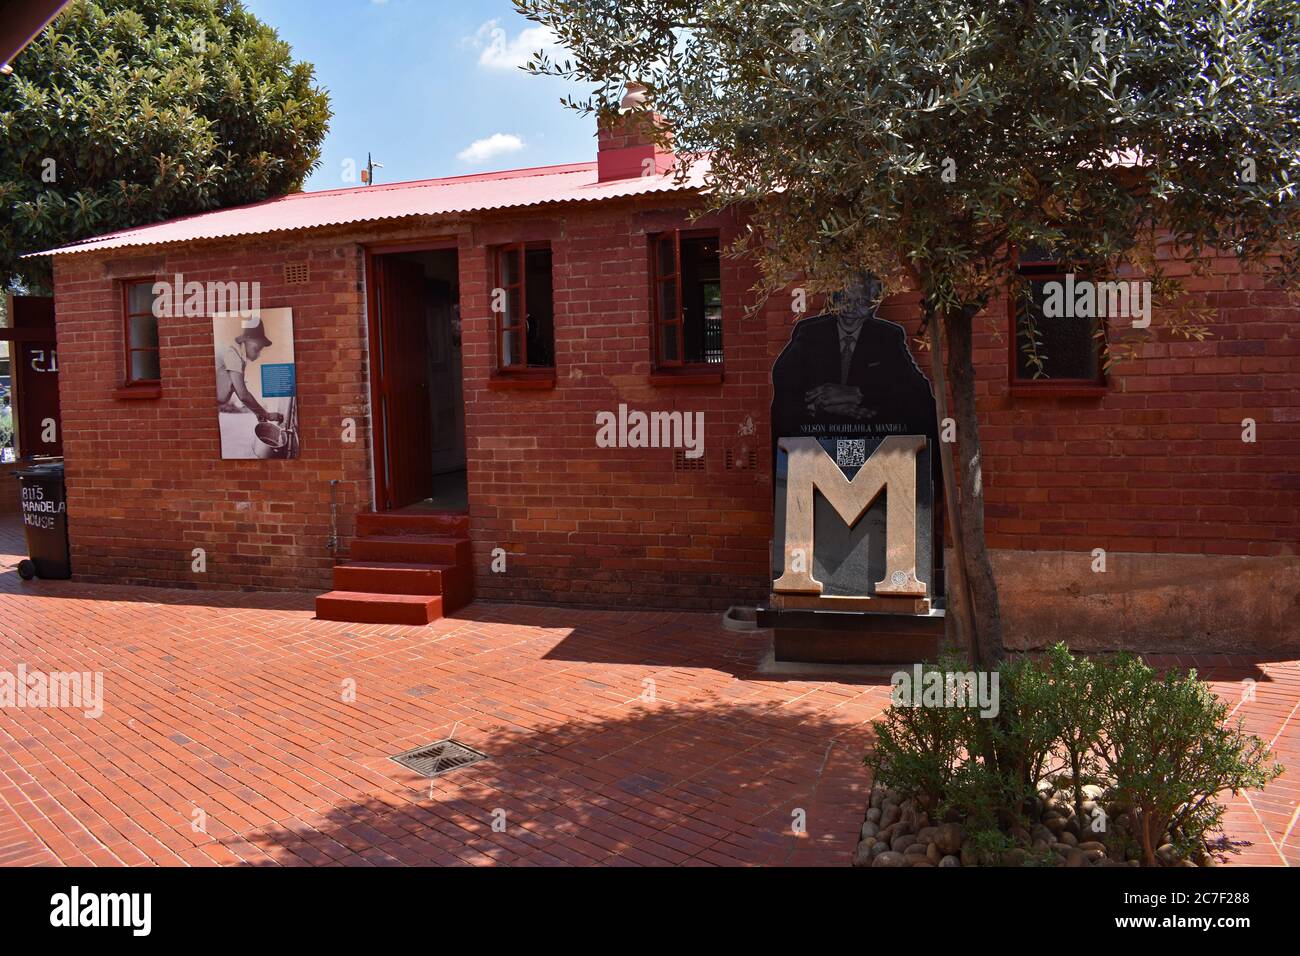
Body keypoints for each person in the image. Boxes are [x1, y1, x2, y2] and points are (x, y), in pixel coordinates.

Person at [772, 272, 935, 439]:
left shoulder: (887, 336)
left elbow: (917, 390)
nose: (850, 310)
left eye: (861, 302)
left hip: (872, 441)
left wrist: (857, 393)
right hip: (819, 440)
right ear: (832, 300)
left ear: (873, 305)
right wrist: (823, 404)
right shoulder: (810, 332)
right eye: (844, 300)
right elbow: (783, 377)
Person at [215, 318, 283, 423]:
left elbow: (239, 391)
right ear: (245, 341)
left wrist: (258, 412)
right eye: (256, 349)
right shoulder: (233, 352)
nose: (258, 355)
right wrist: (266, 415)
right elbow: (243, 395)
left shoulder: (239, 358)